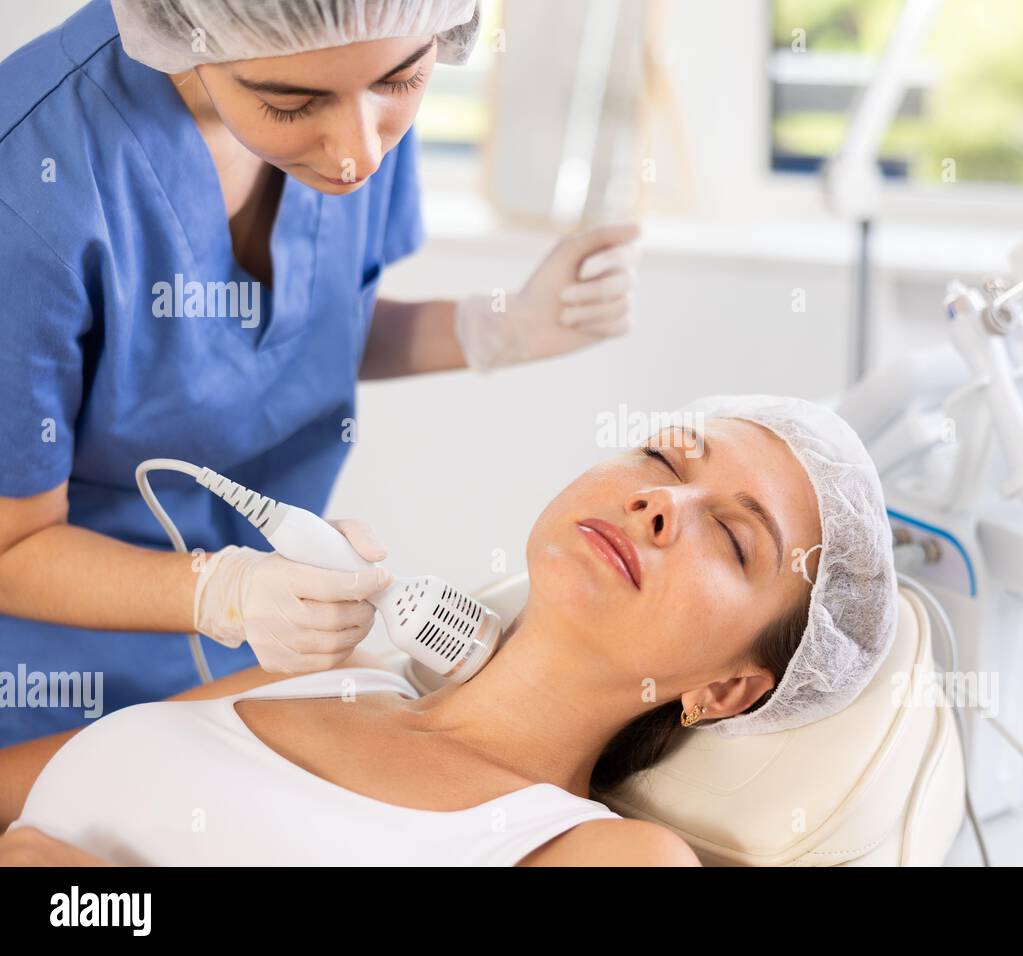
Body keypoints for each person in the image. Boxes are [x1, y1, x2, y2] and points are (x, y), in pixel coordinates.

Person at [0, 0, 640, 748]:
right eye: (289, 104)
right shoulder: (33, 185)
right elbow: (12, 547)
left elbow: (299, 333)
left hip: (245, 674)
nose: (358, 155)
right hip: (41, 694)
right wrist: (222, 593)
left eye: (404, 82)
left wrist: (494, 329)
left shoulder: (356, 51)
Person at [0, 395, 898, 866]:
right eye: (663, 457)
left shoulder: (606, 854)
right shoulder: (312, 679)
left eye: (734, 538)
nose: (661, 502)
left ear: (729, 690)